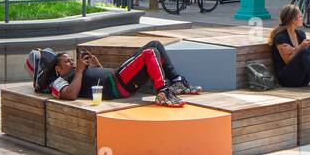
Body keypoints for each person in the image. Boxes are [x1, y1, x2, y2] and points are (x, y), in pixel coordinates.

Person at [28, 42, 201, 106]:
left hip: (118, 78)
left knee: (155, 45)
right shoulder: (58, 83)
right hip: (116, 83)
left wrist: (95, 65)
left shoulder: (76, 72)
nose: (72, 63)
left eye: (72, 61)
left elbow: (95, 77)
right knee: (149, 53)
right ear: (58, 69)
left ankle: (177, 82)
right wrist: (80, 70)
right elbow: (70, 95)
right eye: (68, 62)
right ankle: (163, 92)